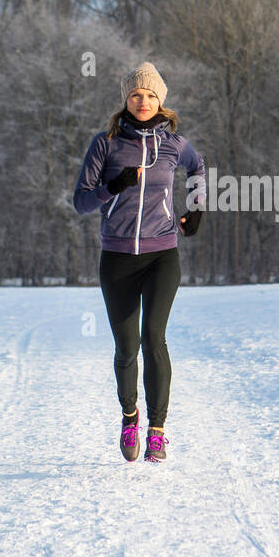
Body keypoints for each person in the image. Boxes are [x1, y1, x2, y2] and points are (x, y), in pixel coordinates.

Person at [73, 62, 206, 464]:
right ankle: (130, 417)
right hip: (117, 257)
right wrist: (112, 187)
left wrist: (196, 209)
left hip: (162, 254)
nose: (142, 101)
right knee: (127, 347)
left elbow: (198, 169)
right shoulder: (106, 144)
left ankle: (157, 429)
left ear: (160, 100)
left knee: (154, 338)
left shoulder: (175, 146)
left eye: (150, 95)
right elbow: (81, 200)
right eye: (135, 95)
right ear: (125, 100)